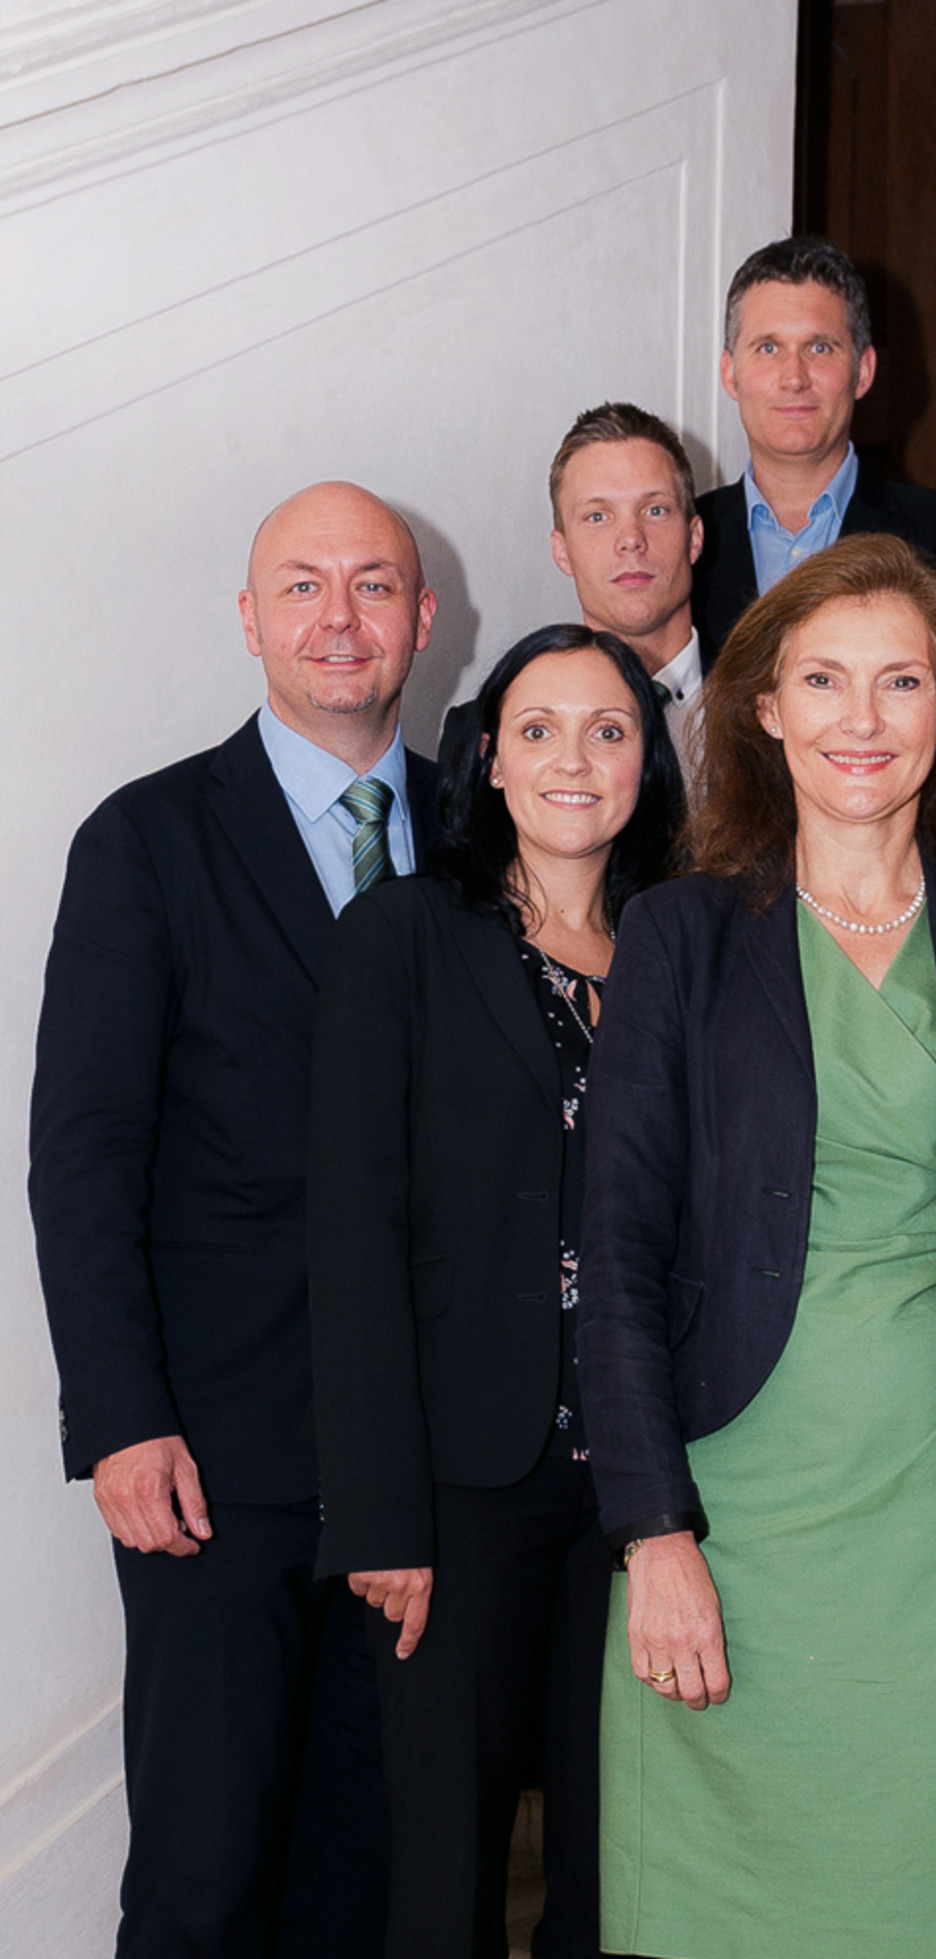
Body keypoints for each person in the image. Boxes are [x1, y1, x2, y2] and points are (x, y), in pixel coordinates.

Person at [576, 532, 936, 1956]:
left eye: (900, 681)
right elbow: (616, 1251)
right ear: (764, 706)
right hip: (743, 1501)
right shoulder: (679, 934)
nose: (859, 718)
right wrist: (652, 1529)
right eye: (822, 679)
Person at [27, 480, 438, 1956]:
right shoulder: (145, 839)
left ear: (422, 619)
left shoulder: (485, 825)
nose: (340, 618)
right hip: (214, 1462)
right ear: (251, 620)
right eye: (303, 586)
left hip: (424, 1467)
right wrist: (120, 1419)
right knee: (201, 1882)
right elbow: (82, 1153)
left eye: (372, 584)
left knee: (371, 1882)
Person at [307, 625, 683, 1959]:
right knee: (448, 1871)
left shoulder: (686, 944)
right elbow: (350, 1235)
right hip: (460, 1488)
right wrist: (378, 1514)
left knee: (622, 1859)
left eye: (607, 729)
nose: (573, 757)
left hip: (645, 1485)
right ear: (490, 760)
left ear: (646, 761)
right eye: (539, 728)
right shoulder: (403, 935)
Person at [694, 236, 936, 659]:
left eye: (819, 348)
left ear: (863, 371)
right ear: (730, 373)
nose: (794, 377)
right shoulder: (682, 540)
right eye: (768, 348)